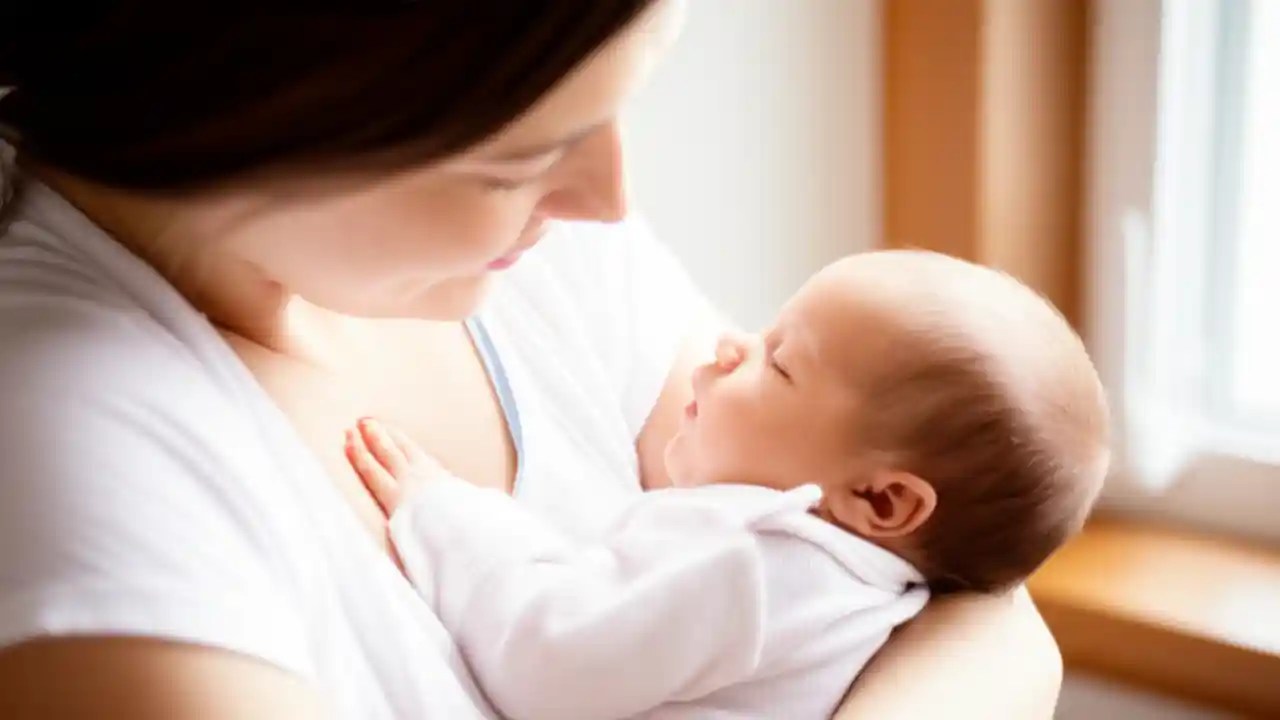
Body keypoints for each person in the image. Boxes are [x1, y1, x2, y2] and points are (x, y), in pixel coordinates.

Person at [0, 3, 1064, 718]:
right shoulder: (71, 453)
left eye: (606, 111)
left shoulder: (530, 257)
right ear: (253, 115)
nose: (609, 200)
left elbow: (968, 586)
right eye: (517, 157)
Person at [341, 251, 1108, 719]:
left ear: (881, 501)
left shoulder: (752, 558)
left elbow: (549, 655)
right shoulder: (860, 593)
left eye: (778, 360)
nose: (727, 343)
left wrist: (447, 513)